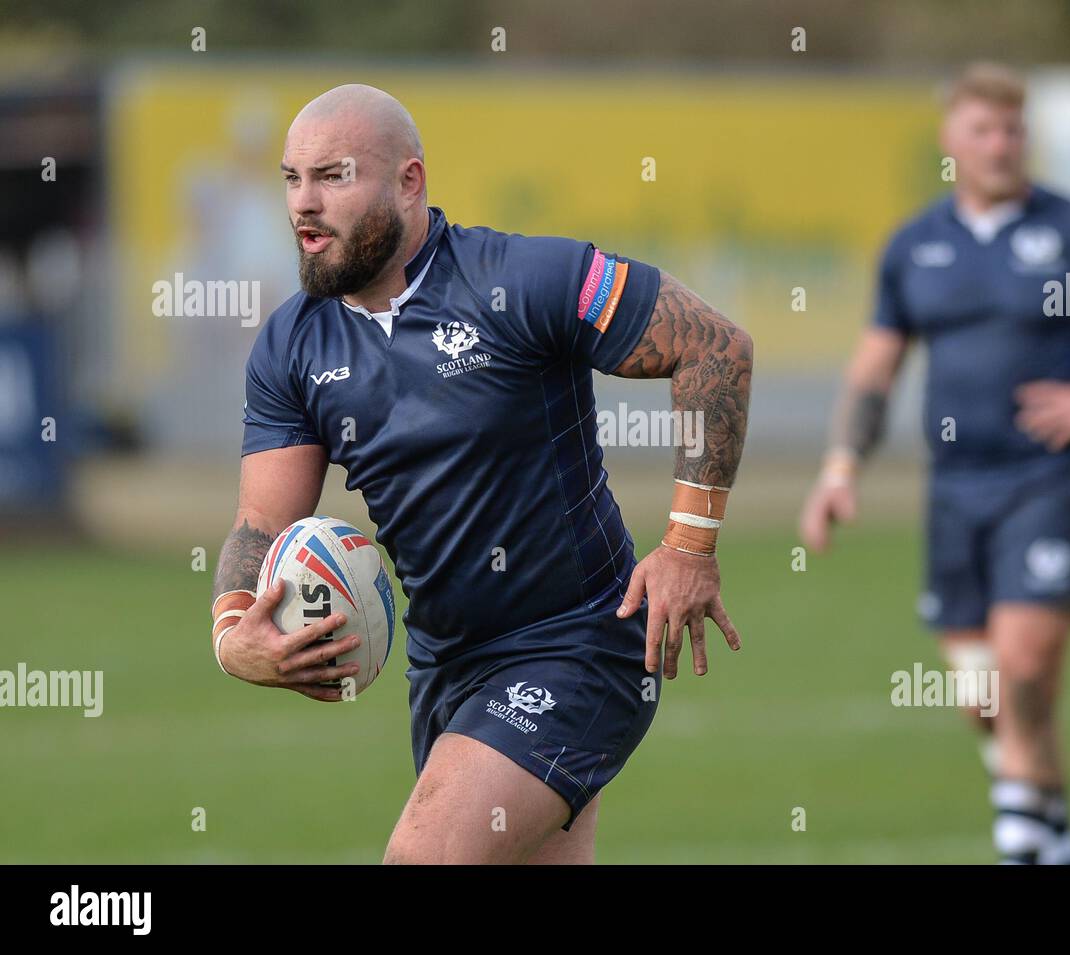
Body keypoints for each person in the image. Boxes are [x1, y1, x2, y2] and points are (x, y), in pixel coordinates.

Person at [209, 84, 752, 864]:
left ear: (409, 181)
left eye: (333, 176)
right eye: (292, 178)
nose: (304, 203)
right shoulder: (292, 346)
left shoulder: (523, 279)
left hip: (578, 644)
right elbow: (261, 527)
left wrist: (690, 545)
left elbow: (714, 346)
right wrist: (234, 637)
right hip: (446, 667)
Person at [800, 63, 1070, 863]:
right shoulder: (914, 246)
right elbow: (873, 370)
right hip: (955, 491)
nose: (1001, 145)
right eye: (983, 130)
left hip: (1049, 480)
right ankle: (1056, 840)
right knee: (985, 702)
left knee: (1024, 672)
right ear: (950, 141)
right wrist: (840, 469)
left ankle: (1023, 846)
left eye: (1014, 130)